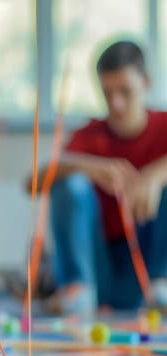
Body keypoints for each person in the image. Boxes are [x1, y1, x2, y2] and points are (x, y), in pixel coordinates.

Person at [35, 41, 167, 314]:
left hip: (147, 272)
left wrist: (155, 175)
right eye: (107, 93)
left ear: (146, 82)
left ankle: (162, 284)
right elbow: (32, 182)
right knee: (69, 182)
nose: (116, 104)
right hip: (99, 269)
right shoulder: (91, 135)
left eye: (125, 92)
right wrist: (89, 167)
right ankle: (76, 286)